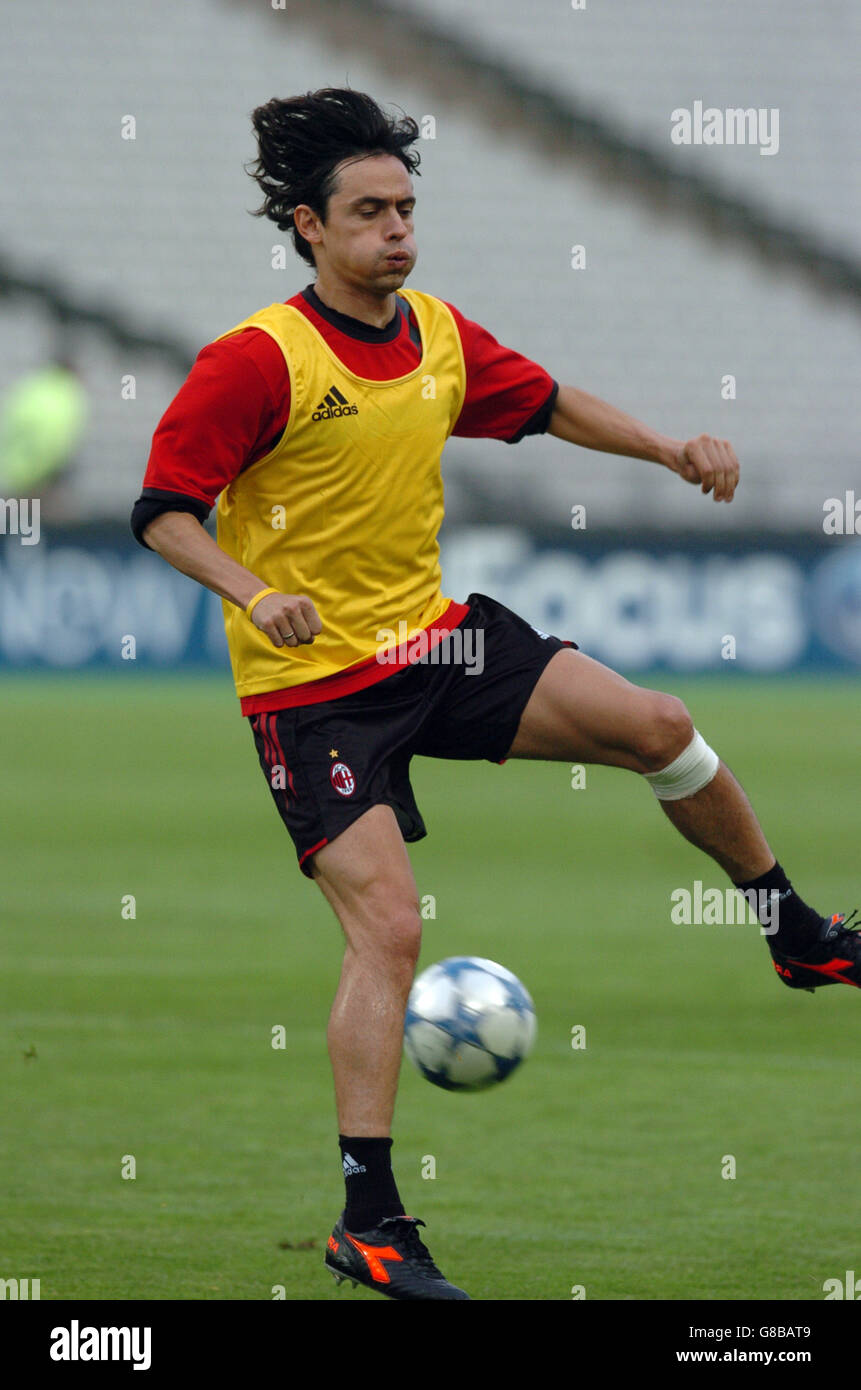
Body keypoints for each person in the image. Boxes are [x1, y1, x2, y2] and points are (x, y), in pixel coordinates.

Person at [130, 87, 858, 1302]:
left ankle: (796, 933)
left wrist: (669, 448)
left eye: (407, 208)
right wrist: (254, 593)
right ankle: (370, 1222)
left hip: (436, 645)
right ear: (309, 227)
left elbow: (547, 403)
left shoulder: (436, 334)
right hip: (315, 694)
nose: (398, 231)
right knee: (391, 929)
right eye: (371, 213)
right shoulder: (257, 360)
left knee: (662, 725)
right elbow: (162, 511)